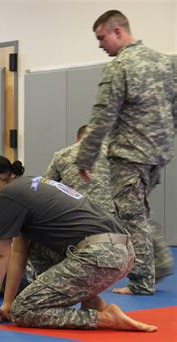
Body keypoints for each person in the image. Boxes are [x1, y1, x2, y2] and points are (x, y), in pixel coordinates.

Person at [0, 154, 156, 332]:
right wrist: (7, 304)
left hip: (100, 254)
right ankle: (93, 303)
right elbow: (19, 253)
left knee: (24, 311)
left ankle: (105, 318)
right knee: (35, 247)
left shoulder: (8, 195)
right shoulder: (31, 184)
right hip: (121, 251)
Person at [75, 10, 176, 295]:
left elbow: (103, 116)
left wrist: (85, 157)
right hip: (158, 153)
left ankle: (142, 281)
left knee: (131, 217)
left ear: (118, 31)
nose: (99, 45)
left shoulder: (120, 66)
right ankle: (160, 261)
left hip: (129, 154)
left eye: (101, 37)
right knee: (139, 212)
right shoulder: (166, 62)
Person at [47, 124, 174, 283]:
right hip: (119, 215)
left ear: (77, 140)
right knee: (145, 226)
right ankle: (148, 277)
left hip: (80, 218)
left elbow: (47, 188)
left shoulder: (62, 155)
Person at [44, 125, 114, 214]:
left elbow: (46, 186)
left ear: (77, 139)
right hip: (107, 215)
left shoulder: (61, 155)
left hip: (75, 213)